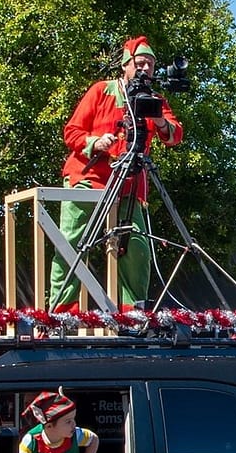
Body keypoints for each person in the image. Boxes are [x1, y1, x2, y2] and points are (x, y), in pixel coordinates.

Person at [49, 35, 184, 309]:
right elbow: (71, 131)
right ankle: (63, 309)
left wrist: (158, 119)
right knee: (72, 241)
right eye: (140, 63)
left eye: (150, 64)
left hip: (129, 184)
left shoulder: (155, 100)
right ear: (126, 65)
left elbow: (174, 135)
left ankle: (130, 309)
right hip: (89, 180)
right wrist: (95, 143)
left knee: (136, 246)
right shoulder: (102, 90)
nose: (145, 68)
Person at [16, 391, 99, 453]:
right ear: (49, 426)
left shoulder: (76, 434)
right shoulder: (31, 439)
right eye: (68, 422)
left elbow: (94, 439)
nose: (74, 424)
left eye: (73, 419)